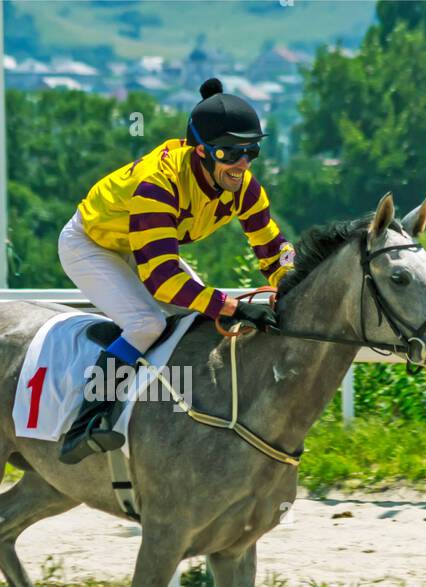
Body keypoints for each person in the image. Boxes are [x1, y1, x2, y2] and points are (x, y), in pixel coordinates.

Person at [56, 77, 296, 464]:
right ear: (200, 151)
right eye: (229, 153)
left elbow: (272, 250)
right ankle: (85, 423)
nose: (242, 164)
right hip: (91, 245)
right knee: (147, 324)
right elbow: (163, 280)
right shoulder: (158, 185)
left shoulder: (244, 187)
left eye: (250, 151)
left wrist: (291, 287)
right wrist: (232, 307)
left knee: (195, 324)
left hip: (145, 245)